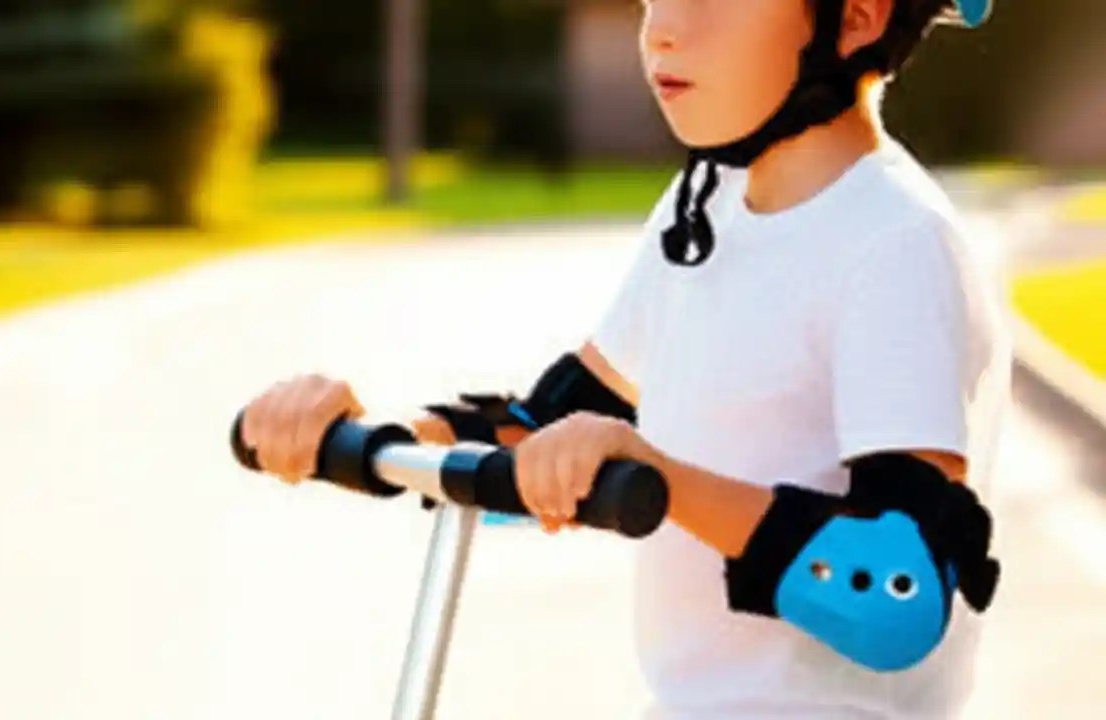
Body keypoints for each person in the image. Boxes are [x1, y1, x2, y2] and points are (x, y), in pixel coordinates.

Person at [237, 0, 1011, 716]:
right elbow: (555, 433)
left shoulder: (895, 245)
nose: (662, 30)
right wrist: (376, 436)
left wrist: (665, 482)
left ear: (856, 19)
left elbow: (896, 594)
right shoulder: (702, 209)